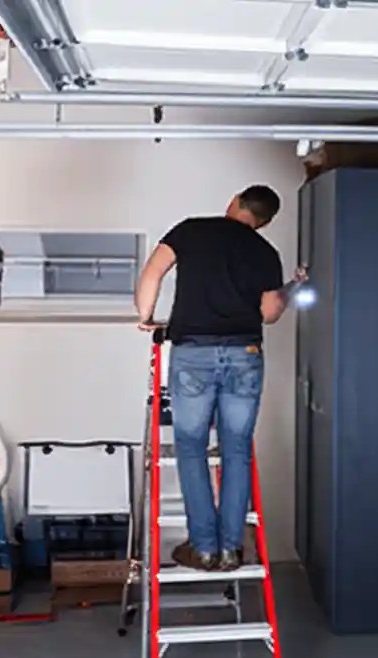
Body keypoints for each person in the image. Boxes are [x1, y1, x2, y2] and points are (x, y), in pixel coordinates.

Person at [134, 185, 306, 572]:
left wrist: (146, 315)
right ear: (263, 221)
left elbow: (153, 271)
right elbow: (269, 313)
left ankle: (204, 547)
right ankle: (230, 549)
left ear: (234, 202)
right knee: (237, 450)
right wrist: (293, 289)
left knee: (192, 447)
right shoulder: (264, 251)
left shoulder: (192, 230)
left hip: (193, 353)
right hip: (245, 355)